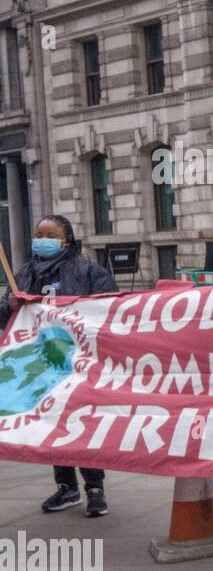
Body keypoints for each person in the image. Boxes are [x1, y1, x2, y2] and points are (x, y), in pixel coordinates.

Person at [1, 215, 117, 517]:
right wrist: (10, 305)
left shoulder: (89, 273)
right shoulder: (25, 275)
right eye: (38, 233)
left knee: (81, 422)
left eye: (48, 234)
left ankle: (95, 487)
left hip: (79, 361)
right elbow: (5, 319)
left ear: (65, 241)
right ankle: (66, 486)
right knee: (53, 423)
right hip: (41, 363)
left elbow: (111, 311)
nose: (41, 238)